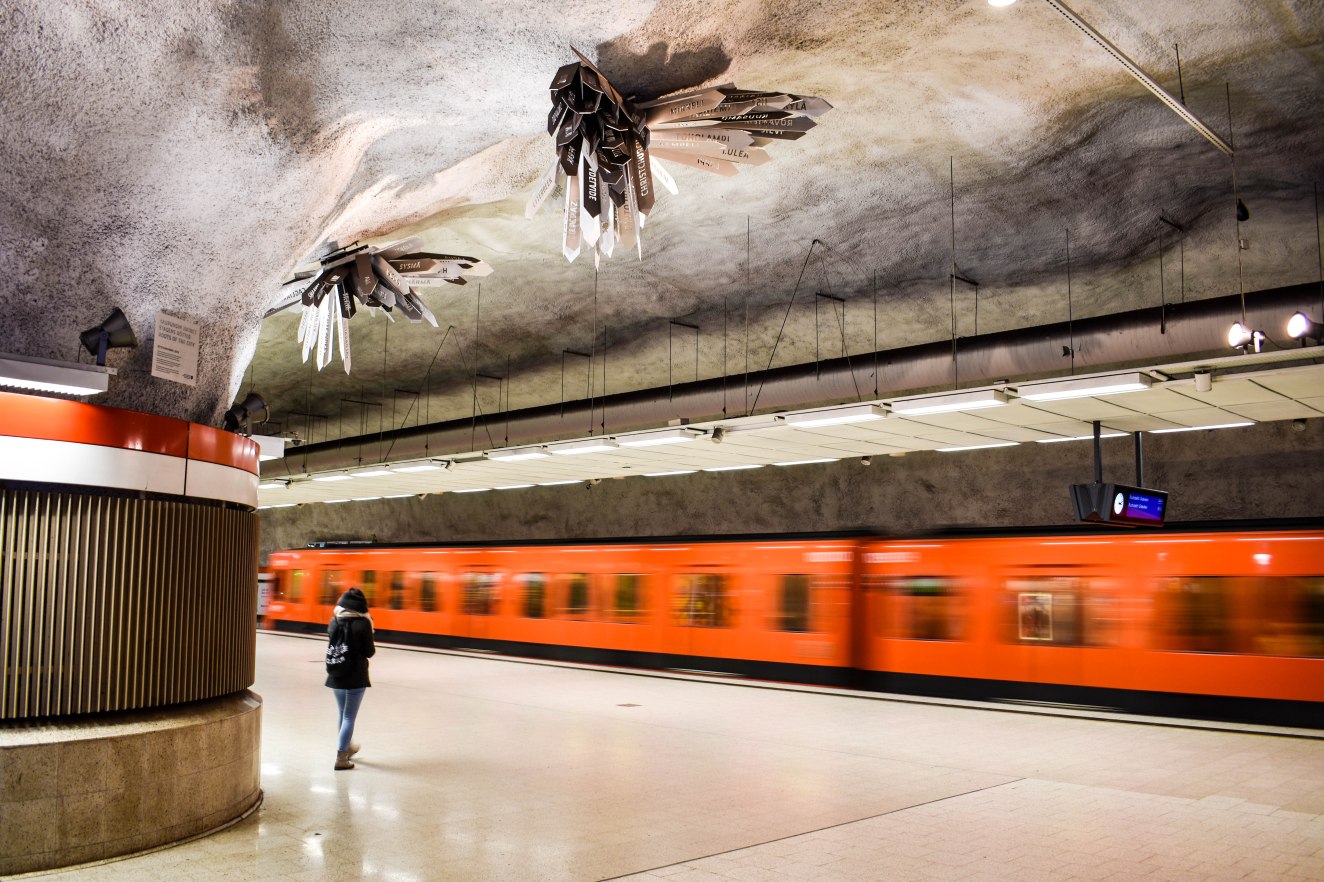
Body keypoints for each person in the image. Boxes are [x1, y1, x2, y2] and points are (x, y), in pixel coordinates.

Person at [325, 587, 376, 770]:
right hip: (355, 677)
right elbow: (370, 652)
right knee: (349, 716)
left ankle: (347, 746)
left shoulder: (334, 621)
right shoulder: (363, 624)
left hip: (336, 675)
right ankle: (341, 758)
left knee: (342, 713)